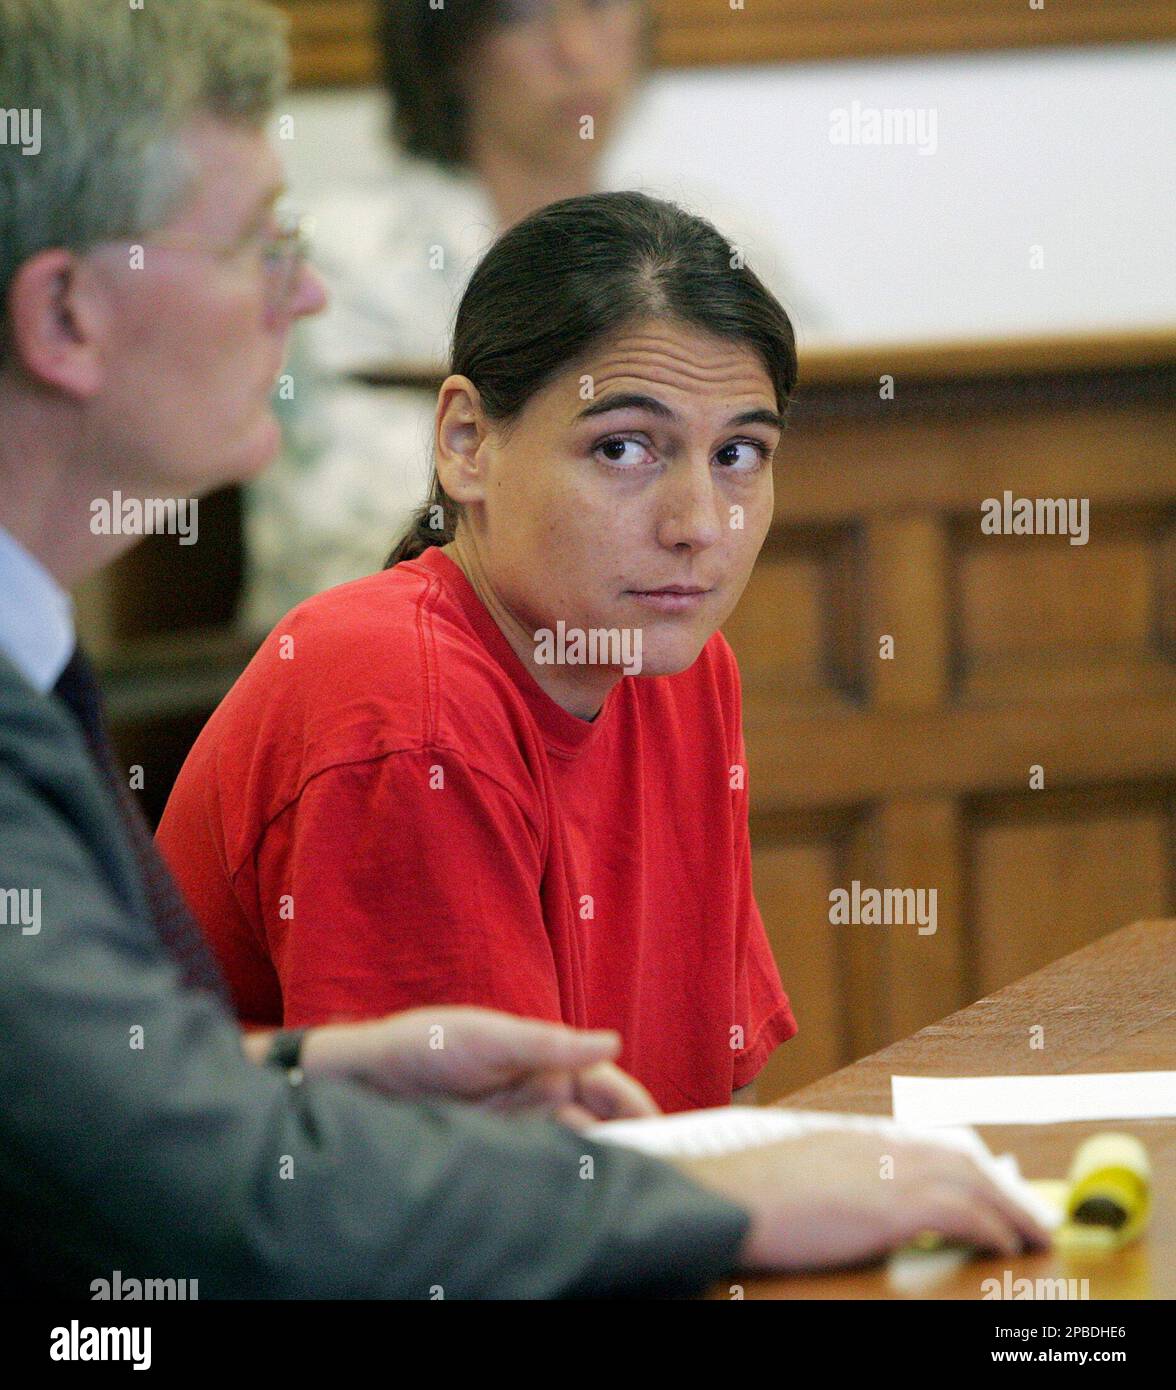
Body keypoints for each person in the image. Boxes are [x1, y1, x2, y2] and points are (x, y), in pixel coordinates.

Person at [0, 0, 1050, 1298]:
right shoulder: (393, 694)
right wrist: (713, 1204)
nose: (697, 522)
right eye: (253, 246)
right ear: (466, 444)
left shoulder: (672, 660)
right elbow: (338, 1226)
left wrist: (304, 1073)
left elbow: (94, 1101)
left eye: (742, 456)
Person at [243, 0, 810, 629]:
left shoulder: (714, 242)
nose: (576, 51)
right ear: (448, 47)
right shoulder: (346, 253)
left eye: (599, 7)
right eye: (522, 15)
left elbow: (835, 450)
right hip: (402, 643)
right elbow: (342, 526)